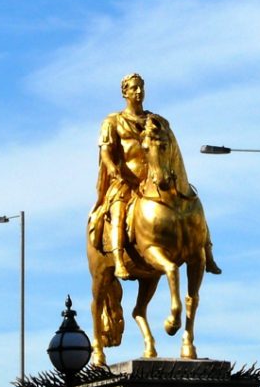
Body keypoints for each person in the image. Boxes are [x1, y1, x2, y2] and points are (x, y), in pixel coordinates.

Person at [90, 73, 222, 279]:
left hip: (157, 179)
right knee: (118, 209)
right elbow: (106, 151)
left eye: (141, 87)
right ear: (124, 92)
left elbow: (170, 148)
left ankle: (207, 252)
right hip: (128, 181)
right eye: (133, 88)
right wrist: (113, 168)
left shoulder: (157, 121)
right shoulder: (113, 121)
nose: (139, 91)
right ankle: (118, 261)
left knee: (191, 203)